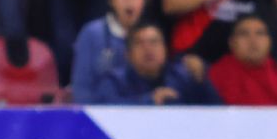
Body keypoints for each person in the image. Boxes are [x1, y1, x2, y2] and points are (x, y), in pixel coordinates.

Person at [89, 22, 220, 104]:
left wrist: (203, 76)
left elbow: (215, 110)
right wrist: (150, 101)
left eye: (154, 42)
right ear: (127, 55)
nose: (148, 48)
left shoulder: (185, 76)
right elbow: (104, 111)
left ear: (166, 50)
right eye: (139, 43)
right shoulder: (113, 81)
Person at [208, 15, 277, 105]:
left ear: (269, 42)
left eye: (260, 33)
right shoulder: (218, 73)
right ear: (232, 43)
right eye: (244, 34)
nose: (253, 40)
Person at [71, 0, 146, 103]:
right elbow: (81, 88)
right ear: (111, 0)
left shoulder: (151, 36)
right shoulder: (92, 33)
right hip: (100, 113)